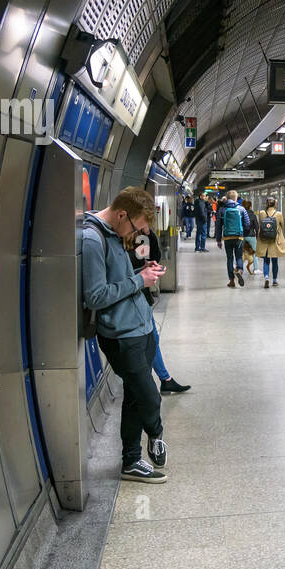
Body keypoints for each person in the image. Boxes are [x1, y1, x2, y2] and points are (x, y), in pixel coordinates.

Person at [81, 186, 169, 483]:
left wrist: (144, 270)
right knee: (149, 397)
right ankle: (155, 434)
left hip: (141, 326)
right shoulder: (92, 240)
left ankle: (131, 460)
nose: (137, 234)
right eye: (137, 227)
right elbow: (95, 296)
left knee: (134, 395)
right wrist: (139, 281)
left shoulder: (116, 234)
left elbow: (120, 278)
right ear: (122, 214)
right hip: (121, 335)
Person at [125, 227, 189, 395]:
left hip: (140, 297)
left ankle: (165, 379)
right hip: (132, 300)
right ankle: (161, 380)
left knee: (152, 338)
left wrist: (148, 234)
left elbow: (150, 258)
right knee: (150, 340)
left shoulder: (140, 239)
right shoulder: (120, 245)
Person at [254, 196, 285, 288]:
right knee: (275, 261)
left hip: (264, 240)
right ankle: (274, 280)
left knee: (266, 261)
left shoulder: (261, 213)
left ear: (266, 204)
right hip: (274, 240)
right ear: (275, 204)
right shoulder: (279, 214)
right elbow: (282, 225)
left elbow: (260, 224)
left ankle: (266, 278)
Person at [215, 189, 248, 287]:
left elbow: (218, 226)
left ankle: (231, 281)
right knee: (238, 256)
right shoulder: (241, 209)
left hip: (227, 238)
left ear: (227, 198)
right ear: (236, 198)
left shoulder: (222, 209)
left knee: (229, 258)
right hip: (239, 237)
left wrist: (218, 240)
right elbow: (247, 223)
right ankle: (239, 270)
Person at [240, 198, 258, 275]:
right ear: (250, 207)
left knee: (241, 252)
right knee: (254, 252)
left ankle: (239, 268)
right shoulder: (253, 215)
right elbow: (256, 226)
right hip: (251, 236)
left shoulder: (240, 214)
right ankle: (256, 269)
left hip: (242, 236)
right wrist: (257, 235)